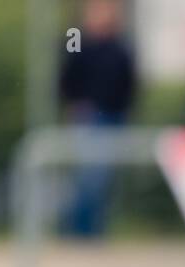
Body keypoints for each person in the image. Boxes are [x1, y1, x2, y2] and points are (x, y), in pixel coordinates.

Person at [58, 0, 137, 237]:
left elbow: (128, 82)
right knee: (89, 177)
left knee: (104, 180)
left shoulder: (120, 46)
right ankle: (79, 231)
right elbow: (67, 77)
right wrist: (76, 104)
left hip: (113, 117)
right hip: (89, 119)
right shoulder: (78, 42)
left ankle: (96, 231)